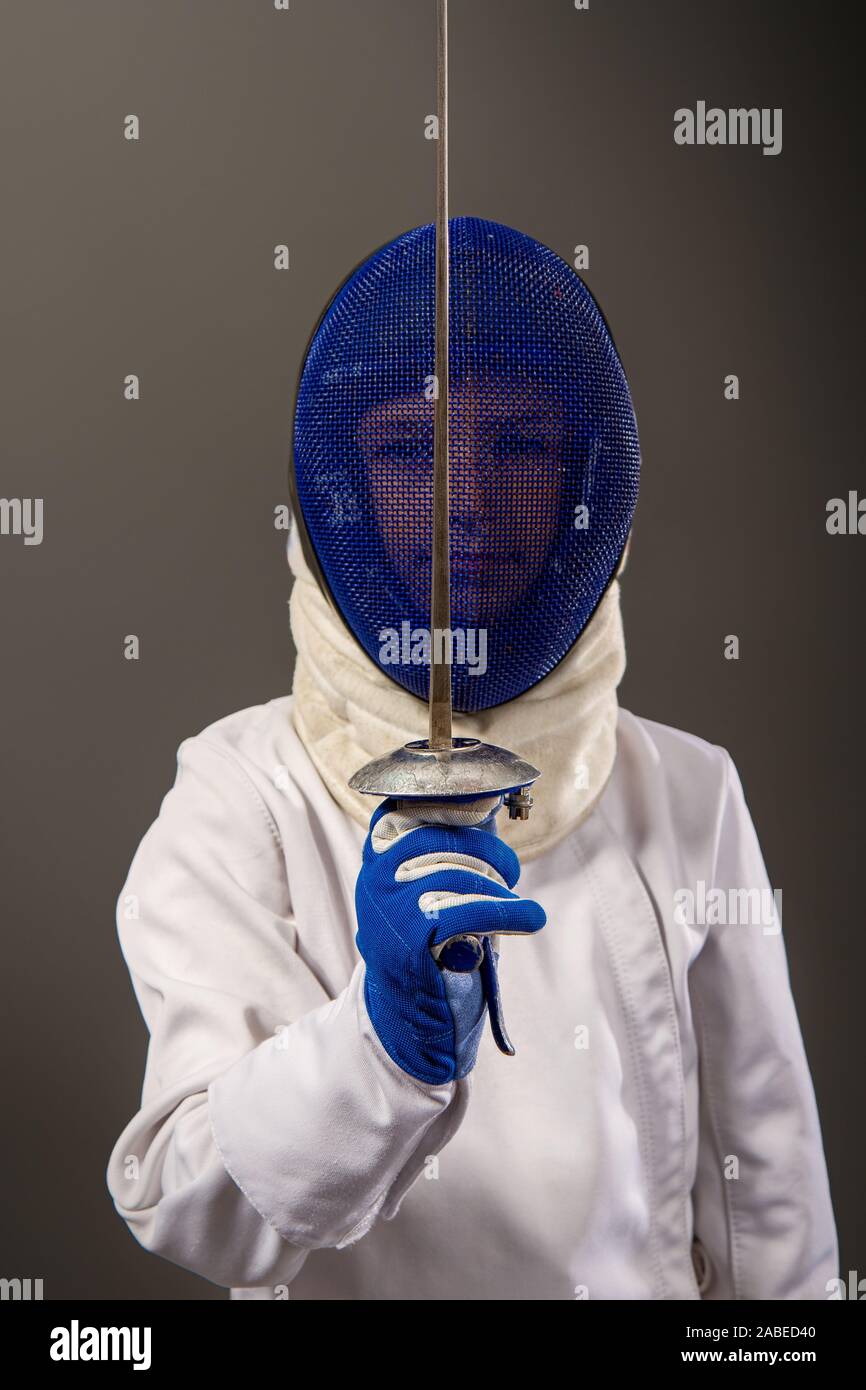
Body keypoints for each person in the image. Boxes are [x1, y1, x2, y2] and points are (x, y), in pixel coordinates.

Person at [106, 219, 838, 1300]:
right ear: (341, 488)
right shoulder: (241, 791)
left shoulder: (686, 791)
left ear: (587, 480)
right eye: (409, 449)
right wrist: (379, 1052)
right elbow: (187, 1196)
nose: (466, 501)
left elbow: (770, 1222)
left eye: (522, 445)